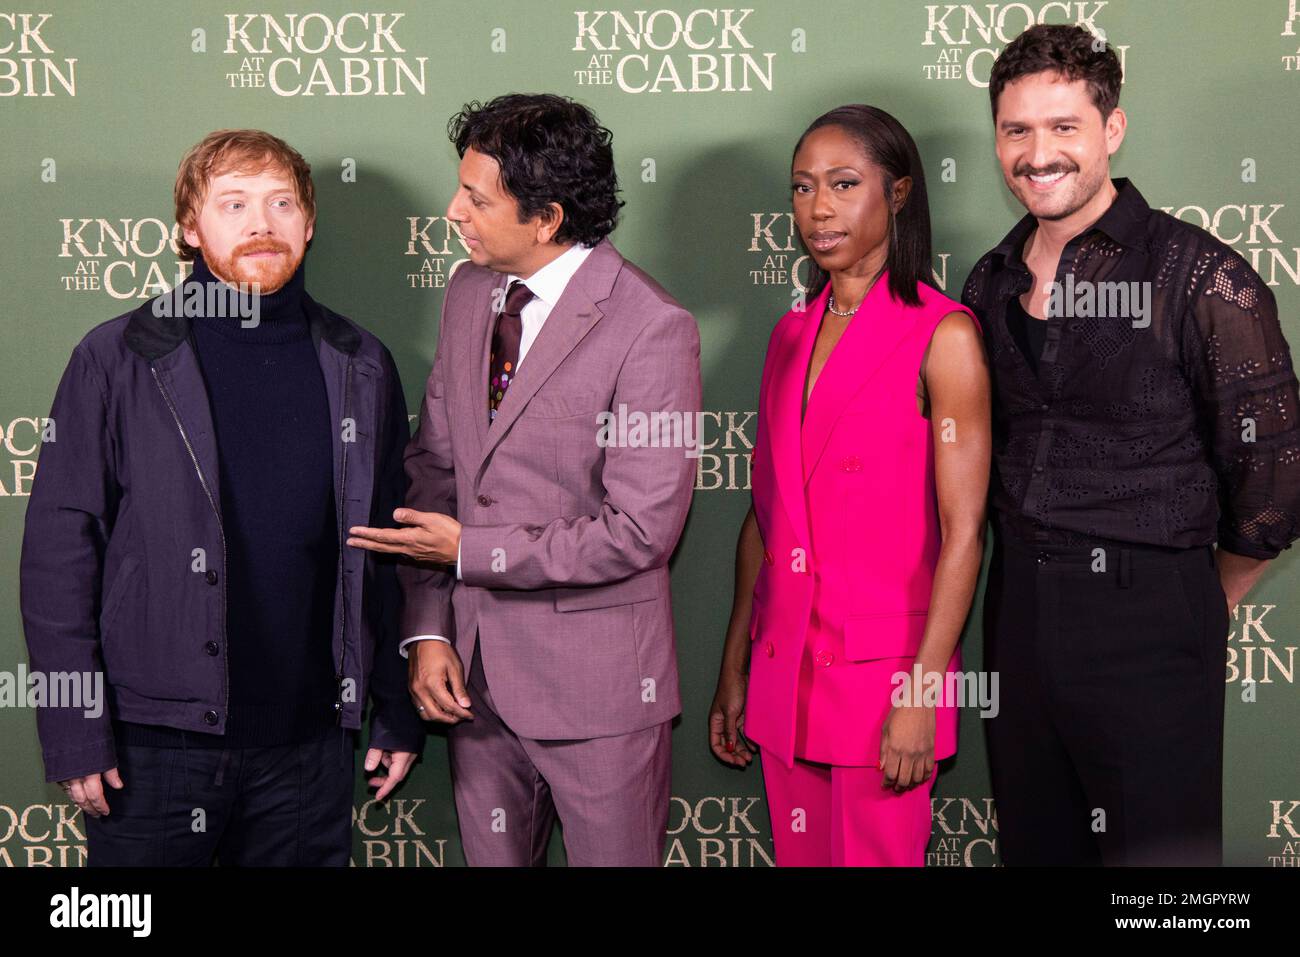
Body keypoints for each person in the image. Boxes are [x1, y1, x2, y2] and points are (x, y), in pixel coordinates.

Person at [20, 129, 423, 866]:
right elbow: (58, 556)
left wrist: (394, 709)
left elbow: (391, 548)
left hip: (309, 750)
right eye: (233, 203)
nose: (261, 223)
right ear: (189, 226)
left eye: (281, 202)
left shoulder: (361, 362)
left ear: (309, 222)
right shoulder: (116, 357)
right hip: (152, 750)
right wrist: (77, 725)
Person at [962, 24, 1300, 865]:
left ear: (1112, 130)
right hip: (1018, 615)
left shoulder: (1201, 276)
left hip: (1155, 614)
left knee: (1163, 880)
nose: (1039, 153)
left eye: (1064, 127)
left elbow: (1272, 483)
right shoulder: (989, 278)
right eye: (1017, 130)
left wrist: (1188, 596)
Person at [348, 93, 701, 866]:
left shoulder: (652, 326)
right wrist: (430, 628)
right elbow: (435, 469)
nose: (453, 210)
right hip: (473, 687)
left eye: (476, 197)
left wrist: (472, 552)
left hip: (603, 696)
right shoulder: (469, 293)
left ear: (544, 217)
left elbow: (641, 530)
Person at [709, 105, 991, 866]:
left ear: (898, 194)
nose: (818, 209)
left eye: (842, 184)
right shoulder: (789, 332)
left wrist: (924, 693)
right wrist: (737, 660)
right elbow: (767, 516)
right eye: (801, 189)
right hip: (783, 668)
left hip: (884, 681)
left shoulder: (945, 334)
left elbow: (965, 531)